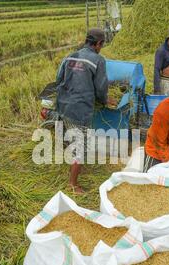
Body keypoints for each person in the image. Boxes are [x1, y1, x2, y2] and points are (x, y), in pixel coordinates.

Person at [52, 28, 117, 194]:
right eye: (101, 45)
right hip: (80, 108)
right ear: (98, 44)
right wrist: (104, 100)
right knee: (81, 146)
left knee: (71, 136)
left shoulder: (70, 56)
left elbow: (59, 79)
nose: (101, 47)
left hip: (63, 104)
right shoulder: (98, 60)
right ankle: (73, 184)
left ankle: (71, 163)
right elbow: (101, 88)